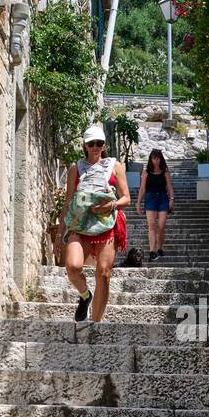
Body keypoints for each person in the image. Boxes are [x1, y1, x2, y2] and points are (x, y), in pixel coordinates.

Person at [56, 124, 130, 323]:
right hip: (80, 223)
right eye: (92, 143)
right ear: (85, 145)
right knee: (72, 266)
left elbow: (126, 198)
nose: (96, 147)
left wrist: (112, 205)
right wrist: (59, 234)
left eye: (100, 143)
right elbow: (68, 202)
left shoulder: (115, 166)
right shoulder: (75, 169)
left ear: (104, 145)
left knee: (104, 273)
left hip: (107, 223)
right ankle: (85, 295)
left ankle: (96, 324)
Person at [136, 149, 175, 260]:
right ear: (150, 159)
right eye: (154, 158)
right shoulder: (146, 172)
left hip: (163, 198)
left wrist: (172, 199)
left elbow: (169, 186)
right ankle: (152, 251)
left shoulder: (165, 172)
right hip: (150, 198)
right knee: (152, 225)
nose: (156, 161)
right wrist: (138, 203)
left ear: (161, 159)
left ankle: (160, 248)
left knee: (161, 226)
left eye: (158, 158)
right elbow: (142, 188)